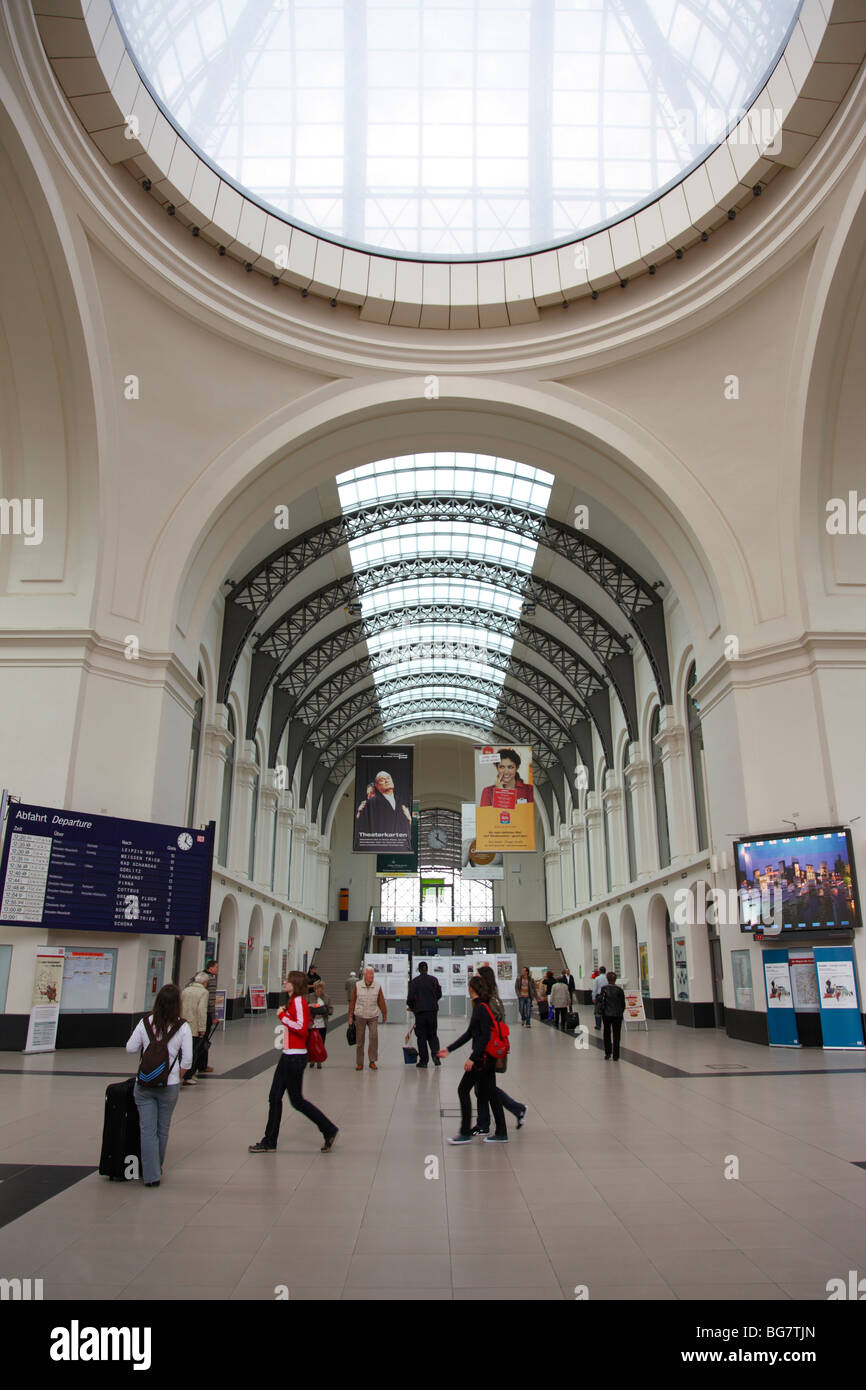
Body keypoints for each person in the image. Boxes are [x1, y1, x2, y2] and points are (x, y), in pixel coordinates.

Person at [248, 972, 338, 1153]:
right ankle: (269, 1141)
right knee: (275, 1097)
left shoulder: (298, 1001)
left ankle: (328, 1129)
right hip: (288, 1055)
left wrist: (282, 1016)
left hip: (294, 1057)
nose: (284, 982)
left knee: (296, 1101)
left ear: (294, 984)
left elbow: (301, 1028)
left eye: (287, 980)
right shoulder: (295, 1001)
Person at [125, 983, 192, 1187]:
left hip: (144, 1084)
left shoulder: (145, 1023)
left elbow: (130, 1048)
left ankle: (151, 1174)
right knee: (162, 1129)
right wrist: (177, 1077)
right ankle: (156, 1168)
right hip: (169, 1085)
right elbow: (187, 1059)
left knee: (147, 1130)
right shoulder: (183, 1026)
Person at [437, 976, 507, 1144]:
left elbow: (484, 1036)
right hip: (488, 1057)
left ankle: (465, 1132)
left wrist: (472, 1058)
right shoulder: (482, 1006)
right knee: (491, 1094)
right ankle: (501, 1133)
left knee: (463, 1090)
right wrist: (449, 1049)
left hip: (482, 1059)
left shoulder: (480, 1008)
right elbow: (470, 1033)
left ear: (472, 989)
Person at [473, 964, 526, 1133]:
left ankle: (491, 1121)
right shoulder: (488, 998)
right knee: (482, 1086)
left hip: (488, 1050)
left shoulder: (489, 1000)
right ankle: (486, 1122)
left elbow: (496, 1028)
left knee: (484, 1086)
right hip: (485, 1048)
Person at [348, 965, 387, 1070]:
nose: (372, 976)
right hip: (360, 1016)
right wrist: (350, 1016)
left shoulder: (377, 986)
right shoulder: (358, 985)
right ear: (364, 975)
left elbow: (381, 1001)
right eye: (370, 974)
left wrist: (384, 1013)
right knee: (360, 1040)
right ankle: (359, 1062)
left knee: (374, 1038)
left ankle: (372, 1061)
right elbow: (353, 1001)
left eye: (373, 974)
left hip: (373, 1016)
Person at [355, 770, 412, 841]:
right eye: (382, 780)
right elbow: (361, 828)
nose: (387, 781)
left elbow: (408, 829)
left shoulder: (402, 801)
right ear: (377, 785)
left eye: (388, 778)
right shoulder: (369, 804)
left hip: (399, 843)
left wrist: (409, 820)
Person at [406, 960, 441, 1068]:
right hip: (432, 1011)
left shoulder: (414, 982)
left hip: (420, 1012)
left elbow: (410, 998)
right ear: (427, 969)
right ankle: (435, 1055)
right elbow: (438, 994)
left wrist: (413, 1007)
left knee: (421, 1036)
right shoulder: (434, 980)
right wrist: (433, 1002)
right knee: (433, 1034)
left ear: (419, 969)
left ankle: (424, 1061)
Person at [180, 972, 209, 1085]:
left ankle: (181, 1074)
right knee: (193, 1051)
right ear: (204, 983)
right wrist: (202, 1028)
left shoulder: (185, 990)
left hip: (182, 1024)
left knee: (182, 1050)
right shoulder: (204, 992)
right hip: (194, 1026)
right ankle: (188, 1075)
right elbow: (202, 1010)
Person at [598, 971, 626, 1060]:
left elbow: (601, 1001)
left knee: (606, 1033)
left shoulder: (604, 989)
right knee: (616, 1035)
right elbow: (623, 1004)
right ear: (615, 979)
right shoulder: (619, 990)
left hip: (606, 1014)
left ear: (607, 979)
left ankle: (607, 1053)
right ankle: (616, 1055)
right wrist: (620, 1011)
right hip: (617, 1015)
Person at [198, 959, 219, 1074]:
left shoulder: (197, 977)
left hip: (194, 1015)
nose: (218, 969)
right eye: (216, 967)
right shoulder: (210, 980)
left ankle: (194, 1064)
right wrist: (213, 1017)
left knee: (196, 1039)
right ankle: (202, 1065)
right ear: (210, 968)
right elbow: (211, 1001)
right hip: (205, 1014)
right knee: (204, 1039)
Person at [308, 980, 333, 1068]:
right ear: (314, 989)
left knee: (321, 1042)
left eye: (321, 989)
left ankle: (319, 1060)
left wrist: (324, 1012)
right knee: (311, 1042)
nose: (319, 991)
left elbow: (331, 1010)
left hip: (322, 1024)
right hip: (312, 1024)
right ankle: (312, 1060)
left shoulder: (327, 998)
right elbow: (306, 1008)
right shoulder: (309, 997)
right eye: (317, 989)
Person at [592, 966, 607, 1030]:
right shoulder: (607, 978)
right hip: (607, 996)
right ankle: (606, 1024)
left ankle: (598, 1025)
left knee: (597, 1011)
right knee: (606, 1010)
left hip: (599, 996)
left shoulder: (597, 978)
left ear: (600, 971)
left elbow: (595, 989)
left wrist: (593, 997)